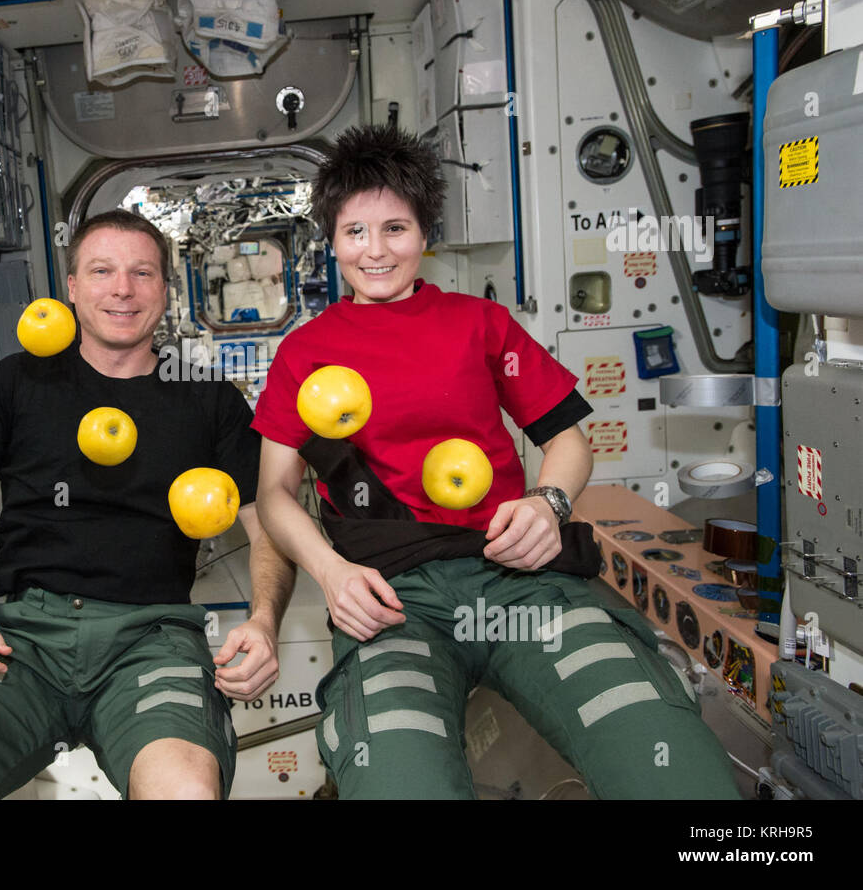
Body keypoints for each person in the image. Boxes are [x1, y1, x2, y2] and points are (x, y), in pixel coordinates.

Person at [251, 123, 741, 799]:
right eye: (355, 231)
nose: (375, 249)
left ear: (426, 234)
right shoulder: (304, 354)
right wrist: (330, 573)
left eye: (396, 227)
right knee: (397, 778)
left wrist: (550, 502)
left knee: (659, 748)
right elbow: (275, 491)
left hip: (519, 577)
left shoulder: (480, 324)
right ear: (332, 239)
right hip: (392, 597)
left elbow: (568, 440)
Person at [0, 209, 295, 800]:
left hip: (153, 637)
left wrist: (265, 622)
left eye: (142, 273)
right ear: (70, 287)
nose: (122, 289)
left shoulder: (209, 400)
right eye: (102, 270)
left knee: (186, 791)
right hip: (21, 639)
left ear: (165, 288)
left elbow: (269, 528)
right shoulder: (16, 384)